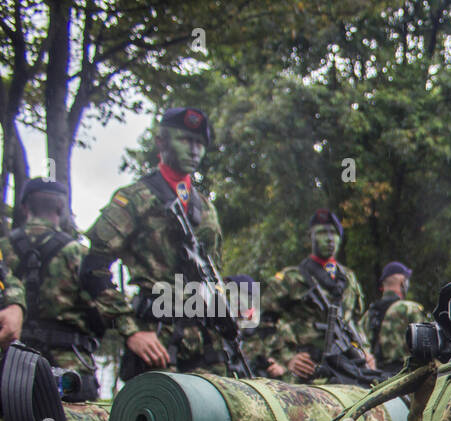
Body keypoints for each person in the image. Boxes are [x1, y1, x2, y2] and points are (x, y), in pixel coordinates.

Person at [80, 106, 235, 379]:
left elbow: (214, 274)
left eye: (199, 143)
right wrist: (131, 330)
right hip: (157, 343)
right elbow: (93, 268)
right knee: (163, 418)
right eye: (185, 140)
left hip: (207, 348)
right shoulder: (134, 199)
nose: (194, 149)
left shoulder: (207, 208)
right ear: (161, 141)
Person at [0, 178, 103, 398]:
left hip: (9, 367)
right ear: (60, 207)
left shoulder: (3, 251)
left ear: (25, 207)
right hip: (70, 371)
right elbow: (102, 311)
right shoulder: (78, 253)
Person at [261, 208, 373, 383]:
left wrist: (365, 351)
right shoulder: (291, 278)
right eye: (321, 233)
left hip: (346, 370)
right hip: (307, 373)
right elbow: (264, 321)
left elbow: (355, 321)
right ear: (310, 237)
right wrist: (287, 358)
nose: (329, 238)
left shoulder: (349, 278)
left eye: (333, 233)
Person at [366, 261, 427, 375]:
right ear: (403, 283)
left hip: (376, 377)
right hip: (405, 376)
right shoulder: (409, 308)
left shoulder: (370, 312)